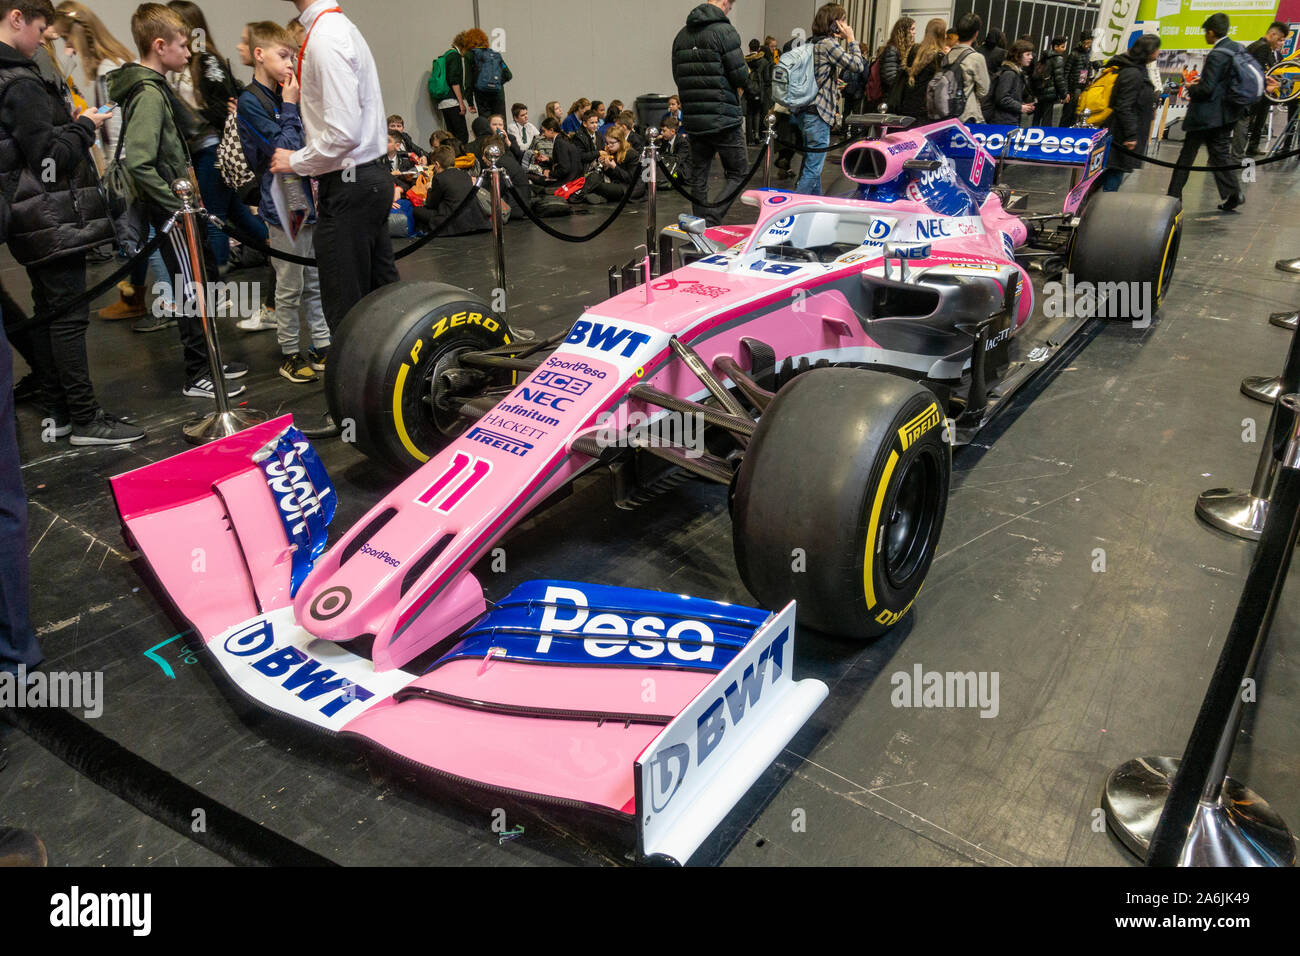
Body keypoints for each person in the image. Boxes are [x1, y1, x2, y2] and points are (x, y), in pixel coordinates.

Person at [0, 0, 145, 445]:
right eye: (41, 28)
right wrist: (83, 125)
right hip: (50, 217)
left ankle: (63, 413)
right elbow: (48, 160)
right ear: (17, 18)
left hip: (37, 217)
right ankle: (85, 419)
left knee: (51, 313)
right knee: (67, 318)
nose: (45, 38)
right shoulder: (20, 82)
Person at [271, 0, 397, 437]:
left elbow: (342, 133)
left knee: (347, 305)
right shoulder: (336, 28)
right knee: (381, 297)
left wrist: (296, 160)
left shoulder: (325, 37)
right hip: (367, 178)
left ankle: (354, 414)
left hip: (351, 181)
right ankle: (387, 400)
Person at [110, 2, 247, 400]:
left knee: (197, 285)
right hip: (172, 213)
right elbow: (139, 162)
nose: (188, 53)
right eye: (182, 45)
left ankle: (207, 363)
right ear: (159, 45)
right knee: (191, 288)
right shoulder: (149, 93)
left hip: (175, 209)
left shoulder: (152, 88)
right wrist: (175, 203)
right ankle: (198, 372)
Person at [237, 20, 328, 384]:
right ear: (260, 55)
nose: (291, 64)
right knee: (290, 284)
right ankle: (290, 352)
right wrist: (291, 106)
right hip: (281, 198)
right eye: (284, 55)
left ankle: (322, 343)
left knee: (314, 280)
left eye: (294, 56)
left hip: (303, 194)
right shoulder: (251, 101)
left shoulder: (282, 95)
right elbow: (285, 149)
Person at [166, 1, 267, 273]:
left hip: (214, 149)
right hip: (202, 149)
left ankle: (217, 284)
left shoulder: (207, 60)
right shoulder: (190, 62)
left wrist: (193, 117)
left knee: (215, 217)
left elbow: (225, 106)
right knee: (237, 214)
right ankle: (277, 250)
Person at [671, 0, 749, 224]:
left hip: (695, 119)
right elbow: (740, 75)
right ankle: (713, 218)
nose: (730, 10)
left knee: (699, 177)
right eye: (731, 6)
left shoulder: (681, 35)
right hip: (723, 117)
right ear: (724, 2)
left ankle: (699, 225)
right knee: (739, 173)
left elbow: (678, 76)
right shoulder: (725, 31)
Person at [1167, 13, 1246, 210]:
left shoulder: (1217, 54)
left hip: (1205, 115)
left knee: (1187, 155)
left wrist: (1191, 86)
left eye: (1205, 32)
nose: (1205, 36)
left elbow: (1207, 89)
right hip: (1226, 114)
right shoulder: (1236, 49)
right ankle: (1234, 193)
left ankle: (1173, 196)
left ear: (1211, 32)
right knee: (1219, 155)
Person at [795, 5, 863, 195]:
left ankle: (816, 209)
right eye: (843, 20)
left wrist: (833, 81)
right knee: (812, 169)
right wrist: (851, 39)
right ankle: (791, 213)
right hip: (818, 113)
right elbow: (857, 65)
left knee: (812, 166)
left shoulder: (812, 42)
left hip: (805, 111)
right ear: (834, 24)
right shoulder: (828, 44)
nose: (846, 25)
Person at [1099, 33, 1160, 192]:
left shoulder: (1136, 69)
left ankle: (1095, 206)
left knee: (1113, 171)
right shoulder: (1133, 73)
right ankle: (1102, 207)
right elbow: (1124, 106)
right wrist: (1130, 135)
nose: (1159, 52)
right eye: (1157, 48)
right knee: (1114, 171)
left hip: (1124, 131)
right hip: (1121, 133)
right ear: (1150, 51)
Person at [1237, 21, 1288, 156]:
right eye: (1280, 39)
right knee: (1245, 123)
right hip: (1254, 93)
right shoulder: (1262, 48)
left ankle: (1250, 147)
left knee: (1256, 121)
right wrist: (1266, 84)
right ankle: (1239, 153)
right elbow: (1257, 72)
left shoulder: (1261, 47)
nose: (1281, 43)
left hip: (1258, 93)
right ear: (1272, 34)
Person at [413, 145, 489, 235]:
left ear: (437, 164)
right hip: (472, 220)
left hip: (451, 220)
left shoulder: (439, 178)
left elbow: (431, 204)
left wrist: (429, 189)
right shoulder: (465, 175)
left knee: (416, 211)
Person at [891, 17, 946, 122]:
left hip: (906, 104)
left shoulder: (914, 49)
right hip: (924, 109)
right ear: (941, 35)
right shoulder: (939, 56)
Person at [942, 12, 988, 123]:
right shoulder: (976, 58)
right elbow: (983, 91)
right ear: (976, 34)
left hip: (946, 112)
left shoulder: (947, 55)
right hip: (968, 114)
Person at [586, 124, 643, 203]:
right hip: (618, 183)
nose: (609, 146)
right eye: (607, 143)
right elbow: (614, 176)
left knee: (599, 186)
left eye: (612, 143)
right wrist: (606, 167)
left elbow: (631, 178)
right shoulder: (613, 152)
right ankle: (599, 196)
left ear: (621, 142)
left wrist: (614, 166)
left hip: (630, 187)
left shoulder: (632, 154)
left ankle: (593, 196)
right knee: (591, 181)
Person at [985, 39, 1035, 125]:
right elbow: (1002, 98)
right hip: (1004, 121)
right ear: (1018, 56)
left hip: (1007, 118)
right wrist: (1020, 107)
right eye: (1027, 54)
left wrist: (1023, 105)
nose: (1031, 57)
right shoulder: (1009, 74)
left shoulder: (1014, 72)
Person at [464, 27, 509, 121]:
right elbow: (508, 75)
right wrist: (495, 84)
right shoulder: (495, 54)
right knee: (500, 123)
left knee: (487, 126)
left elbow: (468, 82)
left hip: (481, 95)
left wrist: (470, 102)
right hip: (498, 94)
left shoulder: (470, 55)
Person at [432, 33, 470, 141]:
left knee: (451, 136)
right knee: (462, 137)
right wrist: (461, 103)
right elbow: (454, 80)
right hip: (452, 101)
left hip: (443, 102)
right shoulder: (455, 56)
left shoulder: (447, 54)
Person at [876, 17, 914, 109]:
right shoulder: (892, 50)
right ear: (904, 31)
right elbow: (890, 77)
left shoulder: (900, 50)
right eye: (912, 29)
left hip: (894, 97)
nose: (914, 32)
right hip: (890, 99)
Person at [1032, 35, 1069, 126]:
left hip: (1041, 90)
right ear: (1055, 47)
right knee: (1047, 118)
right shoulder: (1058, 59)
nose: (1064, 49)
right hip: (1050, 93)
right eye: (1062, 46)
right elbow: (1059, 79)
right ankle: (1044, 136)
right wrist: (1064, 94)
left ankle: (1032, 135)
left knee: (1037, 117)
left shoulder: (1046, 56)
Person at [1061, 32, 1097, 125]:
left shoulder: (1089, 54)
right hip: (1073, 88)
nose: (1087, 46)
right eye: (1085, 43)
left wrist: (1089, 79)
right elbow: (1066, 74)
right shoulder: (1074, 54)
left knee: (1077, 113)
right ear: (1081, 42)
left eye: (1089, 43)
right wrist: (1066, 92)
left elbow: (1088, 68)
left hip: (1082, 87)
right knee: (1067, 113)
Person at [537, 115, 581, 185]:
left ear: (551, 130)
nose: (543, 134)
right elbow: (564, 161)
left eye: (544, 131)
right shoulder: (563, 138)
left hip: (568, 181)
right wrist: (549, 159)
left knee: (536, 179)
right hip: (575, 177)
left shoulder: (559, 143)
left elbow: (564, 169)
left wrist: (550, 173)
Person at [744, 38, 771, 144]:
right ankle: (757, 135)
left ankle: (749, 139)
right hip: (760, 91)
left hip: (748, 90)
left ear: (749, 48)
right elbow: (767, 78)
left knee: (749, 113)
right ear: (759, 48)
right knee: (757, 113)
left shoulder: (745, 60)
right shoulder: (764, 61)